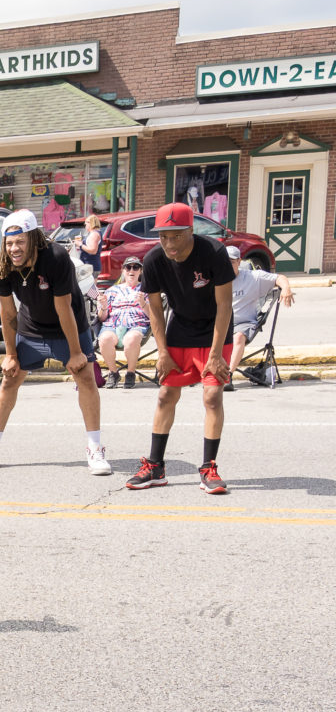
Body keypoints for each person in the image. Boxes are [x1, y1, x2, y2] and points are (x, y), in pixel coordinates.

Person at [0, 209, 110, 476]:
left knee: (86, 378)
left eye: (20, 241)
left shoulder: (55, 257)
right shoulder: (1, 263)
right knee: (9, 380)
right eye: (9, 243)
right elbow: (8, 313)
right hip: (31, 327)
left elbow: (64, 309)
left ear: (33, 238)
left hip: (68, 326)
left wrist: (77, 353)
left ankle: (95, 448)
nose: (14, 248)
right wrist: (10, 354)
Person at [125, 202, 235, 495]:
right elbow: (156, 310)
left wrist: (215, 354)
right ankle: (156, 466)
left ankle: (208, 469)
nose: (169, 243)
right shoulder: (153, 259)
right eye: (163, 236)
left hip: (215, 330)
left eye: (176, 236)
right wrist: (162, 352)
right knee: (165, 395)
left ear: (190, 231)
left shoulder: (213, 252)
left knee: (212, 396)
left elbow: (225, 304)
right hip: (180, 329)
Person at [225, 246, 294, 391]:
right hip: (220, 323)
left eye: (230, 262)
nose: (226, 265)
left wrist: (286, 288)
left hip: (243, 323)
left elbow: (279, 278)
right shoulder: (216, 278)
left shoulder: (253, 277)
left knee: (238, 338)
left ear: (239, 261)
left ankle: (228, 376)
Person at [96, 256, 151, 389]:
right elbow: (102, 318)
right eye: (128, 267)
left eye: (135, 267)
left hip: (136, 325)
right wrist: (103, 306)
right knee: (104, 339)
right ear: (123, 270)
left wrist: (143, 303)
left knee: (131, 339)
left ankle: (130, 373)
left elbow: (152, 316)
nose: (131, 270)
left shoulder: (145, 290)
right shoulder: (112, 291)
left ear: (140, 271)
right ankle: (113, 373)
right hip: (112, 325)